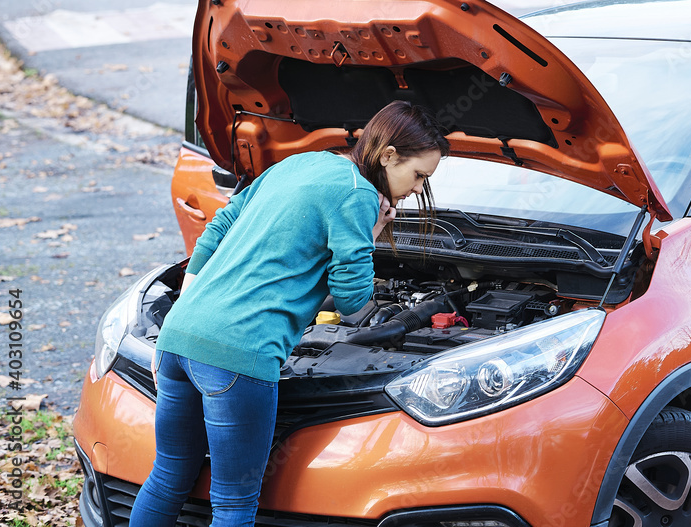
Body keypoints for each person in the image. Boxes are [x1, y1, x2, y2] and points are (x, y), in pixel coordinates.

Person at [129, 100, 450, 526]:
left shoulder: (298, 163)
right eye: (418, 175)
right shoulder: (357, 194)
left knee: (168, 477)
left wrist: (180, 315)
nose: (415, 188)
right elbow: (353, 304)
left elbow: (216, 229)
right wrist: (371, 233)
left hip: (177, 340)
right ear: (388, 155)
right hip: (238, 354)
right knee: (233, 503)